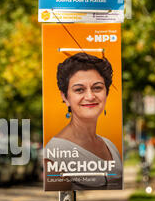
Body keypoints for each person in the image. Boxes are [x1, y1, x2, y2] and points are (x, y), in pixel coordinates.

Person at [44, 53, 122, 190]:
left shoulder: (110, 146)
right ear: (65, 97)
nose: (90, 96)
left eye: (97, 87)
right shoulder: (55, 153)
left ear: (107, 93)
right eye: (79, 90)